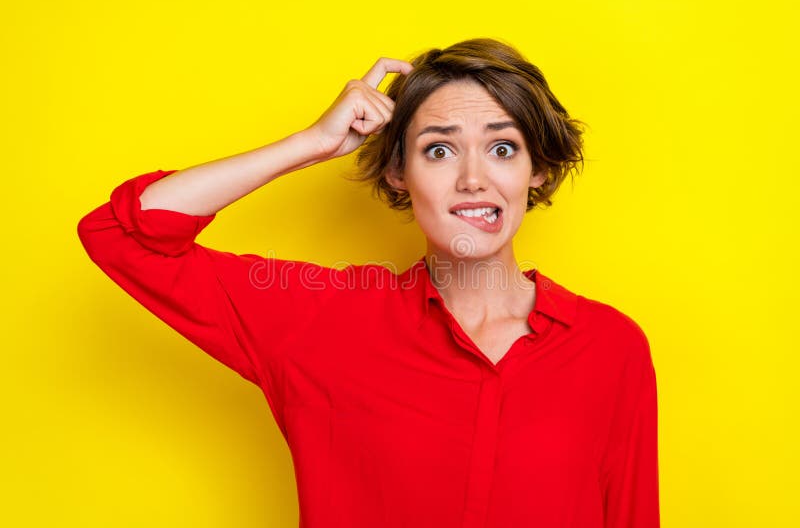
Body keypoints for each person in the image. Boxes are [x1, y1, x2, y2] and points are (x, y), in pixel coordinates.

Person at [77, 38, 659, 528]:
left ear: (539, 170)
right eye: (439, 150)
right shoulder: (321, 319)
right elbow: (121, 234)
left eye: (502, 148)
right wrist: (311, 145)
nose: (473, 179)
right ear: (399, 172)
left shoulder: (611, 347)